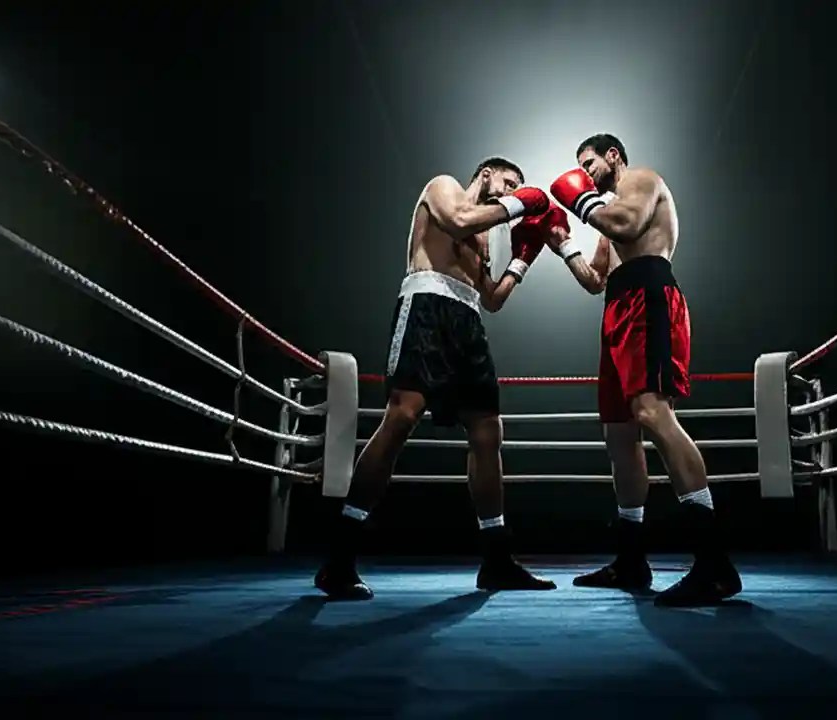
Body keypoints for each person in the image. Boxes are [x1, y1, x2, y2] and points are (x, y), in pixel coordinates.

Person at [314, 157, 558, 601]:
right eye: (509, 182)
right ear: (486, 174)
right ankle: (340, 557)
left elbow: (493, 298)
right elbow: (460, 219)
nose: (512, 191)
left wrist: (524, 258)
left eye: (520, 187)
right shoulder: (443, 188)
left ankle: (496, 560)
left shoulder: (486, 235)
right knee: (402, 417)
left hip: (469, 320)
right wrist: (522, 205)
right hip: (427, 305)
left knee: (487, 432)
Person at [545, 134, 742, 607]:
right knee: (619, 434)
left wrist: (578, 198)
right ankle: (632, 560)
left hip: (649, 297)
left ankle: (714, 563)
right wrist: (564, 245)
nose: (585, 174)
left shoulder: (641, 181)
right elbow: (595, 281)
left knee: (654, 415)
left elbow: (627, 223)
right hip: (617, 308)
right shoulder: (605, 216)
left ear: (613, 155)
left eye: (589, 163)